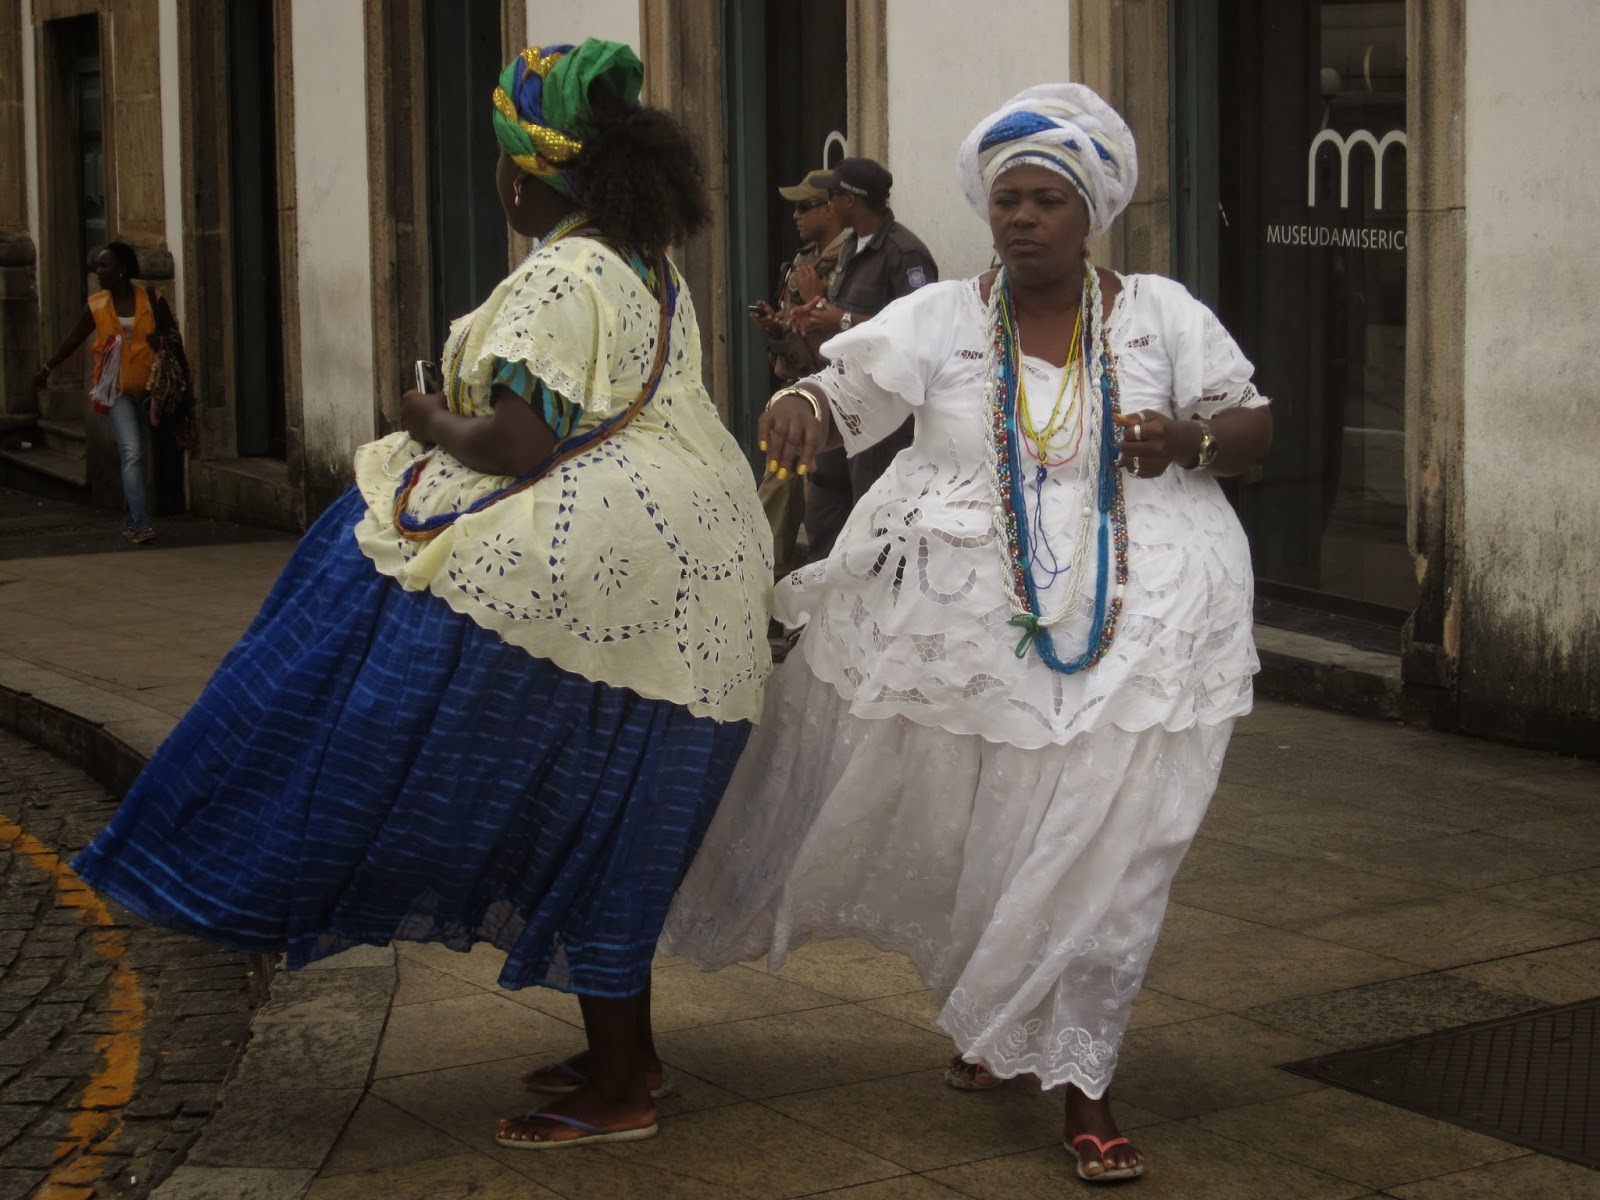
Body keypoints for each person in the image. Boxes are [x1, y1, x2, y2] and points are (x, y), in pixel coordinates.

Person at [70, 39, 772, 1150]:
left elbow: (516, 439)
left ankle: (623, 1083)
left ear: (523, 171)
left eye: (499, 157)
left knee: (394, 737)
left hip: (586, 571)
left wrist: (420, 418)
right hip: (691, 562)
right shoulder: (645, 262)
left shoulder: (559, 270)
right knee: (607, 811)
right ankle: (623, 1055)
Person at [663, 83, 1273, 1184]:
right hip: (970, 634)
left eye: (1046, 200)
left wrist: (1185, 435)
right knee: (988, 833)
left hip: (1149, 629)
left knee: (1111, 849)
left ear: (1089, 214)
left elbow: (1253, 425)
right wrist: (804, 405)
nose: (1022, 218)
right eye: (1006, 202)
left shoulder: (1166, 315)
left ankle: (1085, 1080)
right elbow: (850, 395)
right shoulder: (941, 315)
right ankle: (997, 1020)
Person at [784, 156, 937, 561]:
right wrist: (817, 312)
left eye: (832, 194)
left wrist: (843, 318)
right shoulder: (852, 246)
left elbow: (920, 333)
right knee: (824, 521)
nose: (827, 204)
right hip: (840, 401)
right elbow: (846, 318)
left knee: (876, 534)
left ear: (851, 200)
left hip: (882, 419)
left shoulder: (906, 255)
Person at [34, 242, 180, 544]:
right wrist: (49, 367)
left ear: (123, 269)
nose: (98, 271)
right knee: (132, 452)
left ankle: (131, 519)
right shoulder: (97, 304)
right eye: (98, 266)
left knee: (137, 457)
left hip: (151, 390)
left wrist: (160, 340)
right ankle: (141, 524)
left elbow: (173, 335)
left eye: (104, 265)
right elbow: (74, 339)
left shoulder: (151, 299)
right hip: (116, 392)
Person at [751, 169, 853, 580]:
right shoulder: (806, 260)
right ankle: (768, 582)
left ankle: (782, 586)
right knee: (782, 492)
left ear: (830, 209)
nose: (795, 215)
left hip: (829, 403)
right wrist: (778, 323)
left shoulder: (848, 260)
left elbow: (852, 333)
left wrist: (816, 303)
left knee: (811, 503)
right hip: (796, 393)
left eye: (804, 206)